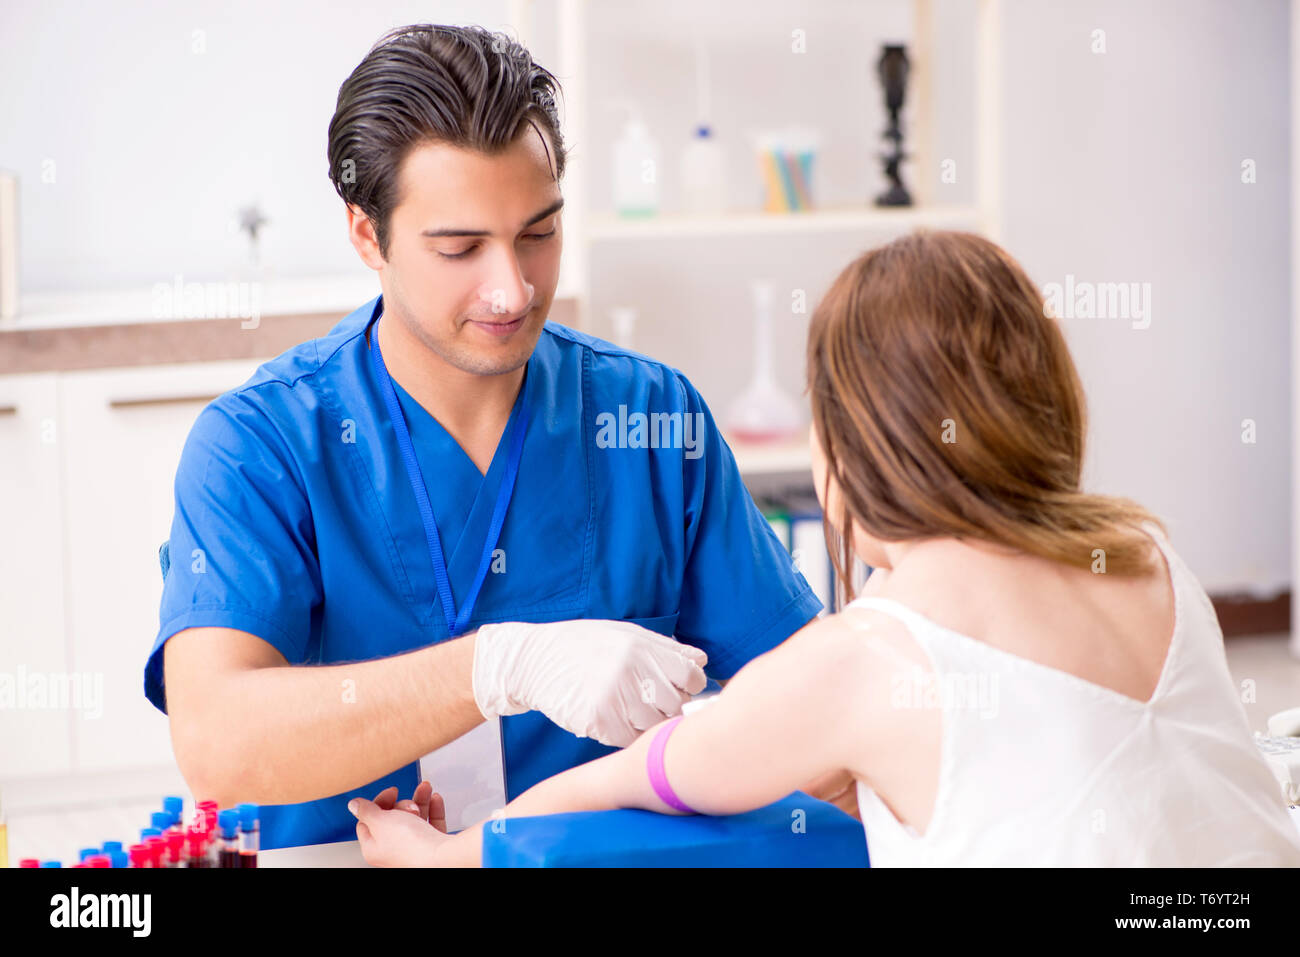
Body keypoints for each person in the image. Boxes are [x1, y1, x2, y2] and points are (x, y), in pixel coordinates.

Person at [350, 230, 1300, 867]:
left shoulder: (866, 655)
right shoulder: (1148, 559)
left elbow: (631, 782)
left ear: (847, 447)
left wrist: (446, 855)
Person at [144, 23, 825, 849]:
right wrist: (498, 665)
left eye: (538, 234)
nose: (513, 290)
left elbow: (814, 698)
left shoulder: (649, 422)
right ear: (367, 234)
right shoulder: (262, 446)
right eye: (461, 248)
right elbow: (218, 742)